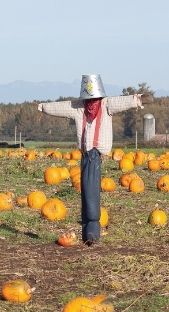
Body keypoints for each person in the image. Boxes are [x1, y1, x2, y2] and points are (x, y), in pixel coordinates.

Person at [38, 74, 143, 245]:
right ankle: (88, 233)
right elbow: (62, 107)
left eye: (94, 98)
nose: (92, 102)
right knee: (86, 192)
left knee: (91, 191)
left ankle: (92, 232)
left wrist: (135, 100)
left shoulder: (106, 105)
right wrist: (44, 107)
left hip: (95, 154)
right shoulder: (79, 108)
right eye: (89, 99)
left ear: (100, 96)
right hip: (86, 155)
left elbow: (121, 102)